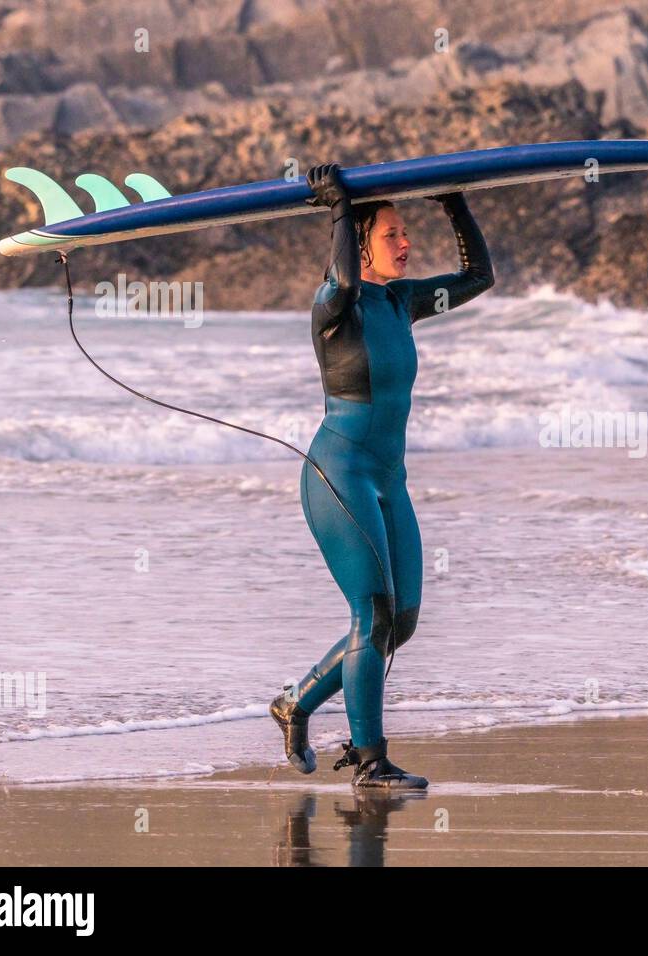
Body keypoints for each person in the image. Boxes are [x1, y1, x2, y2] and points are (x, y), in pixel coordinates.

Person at [270, 162, 494, 790]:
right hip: (337, 474)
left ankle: (295, 704)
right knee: (372, 616)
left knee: (403, 621)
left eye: (406, 232)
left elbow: (480, 276)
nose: (405, 243)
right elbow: (341, 276)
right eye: (392, 233)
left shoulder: (402, 300)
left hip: (388, 479)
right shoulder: (333, 306)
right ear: (361, 243)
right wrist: (339, 207)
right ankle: (370, 762)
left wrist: (455, 201)